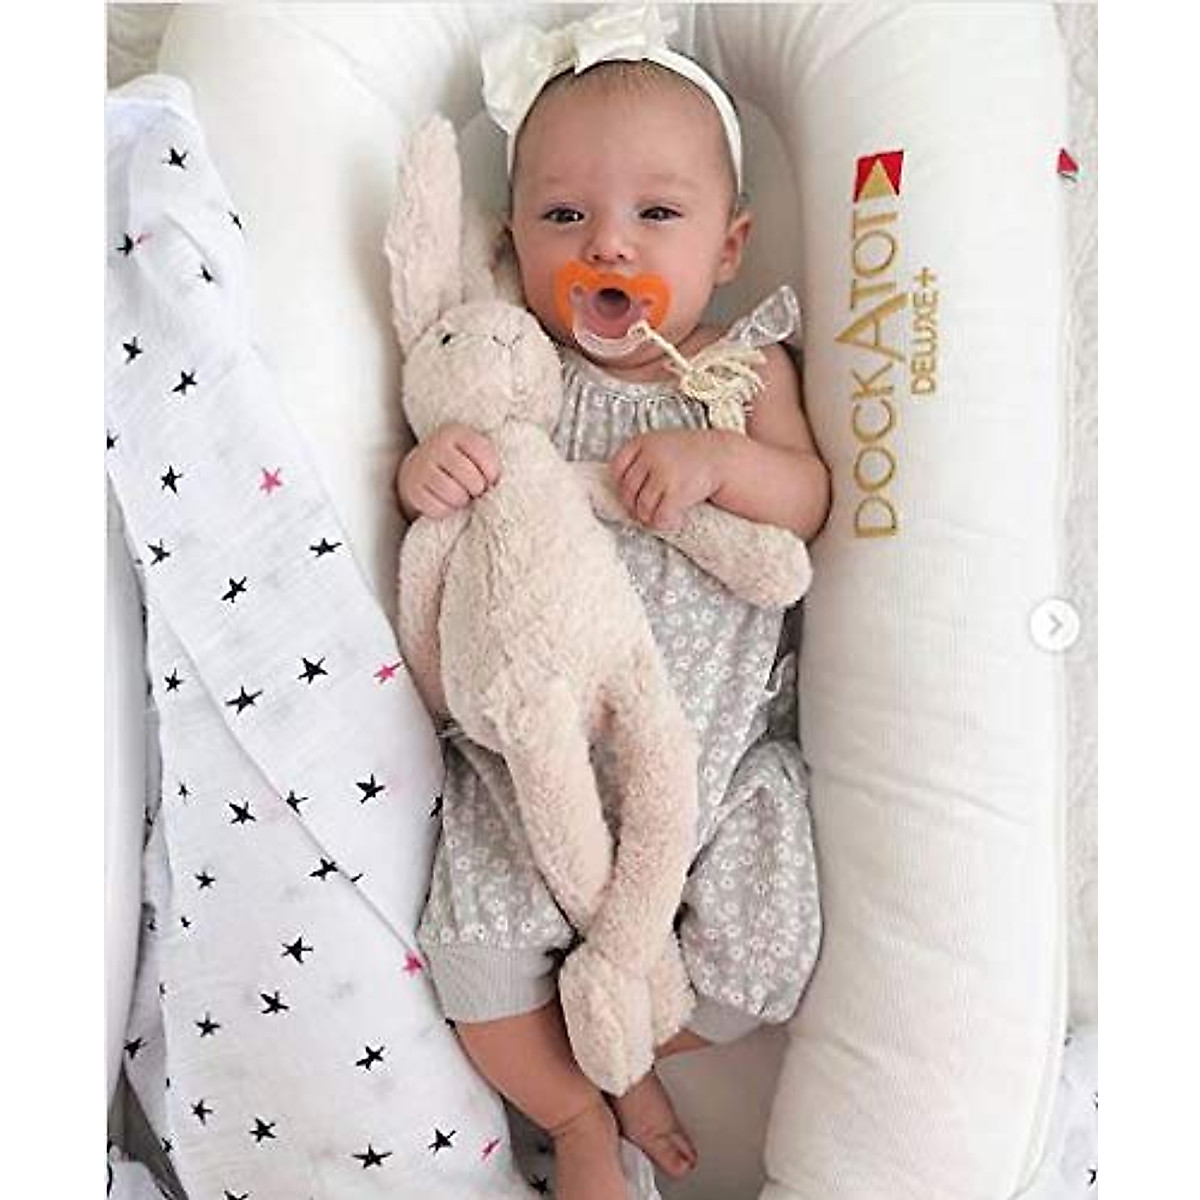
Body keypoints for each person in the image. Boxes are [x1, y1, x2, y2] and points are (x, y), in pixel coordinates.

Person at [397, 8, 829, 1198]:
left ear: (730, 245)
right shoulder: (514, 372)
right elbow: (440, 507)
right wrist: (427, 472)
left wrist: (718, 462)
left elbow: (803, 499)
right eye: (564, 217)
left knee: (761, 961)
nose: (610, 245)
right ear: (513, 242)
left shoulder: (743, 370)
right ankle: (580, 1115)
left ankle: (633, 1039)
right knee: (475, 968)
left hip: (702, 763)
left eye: (658, 215)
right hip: (526, 760)